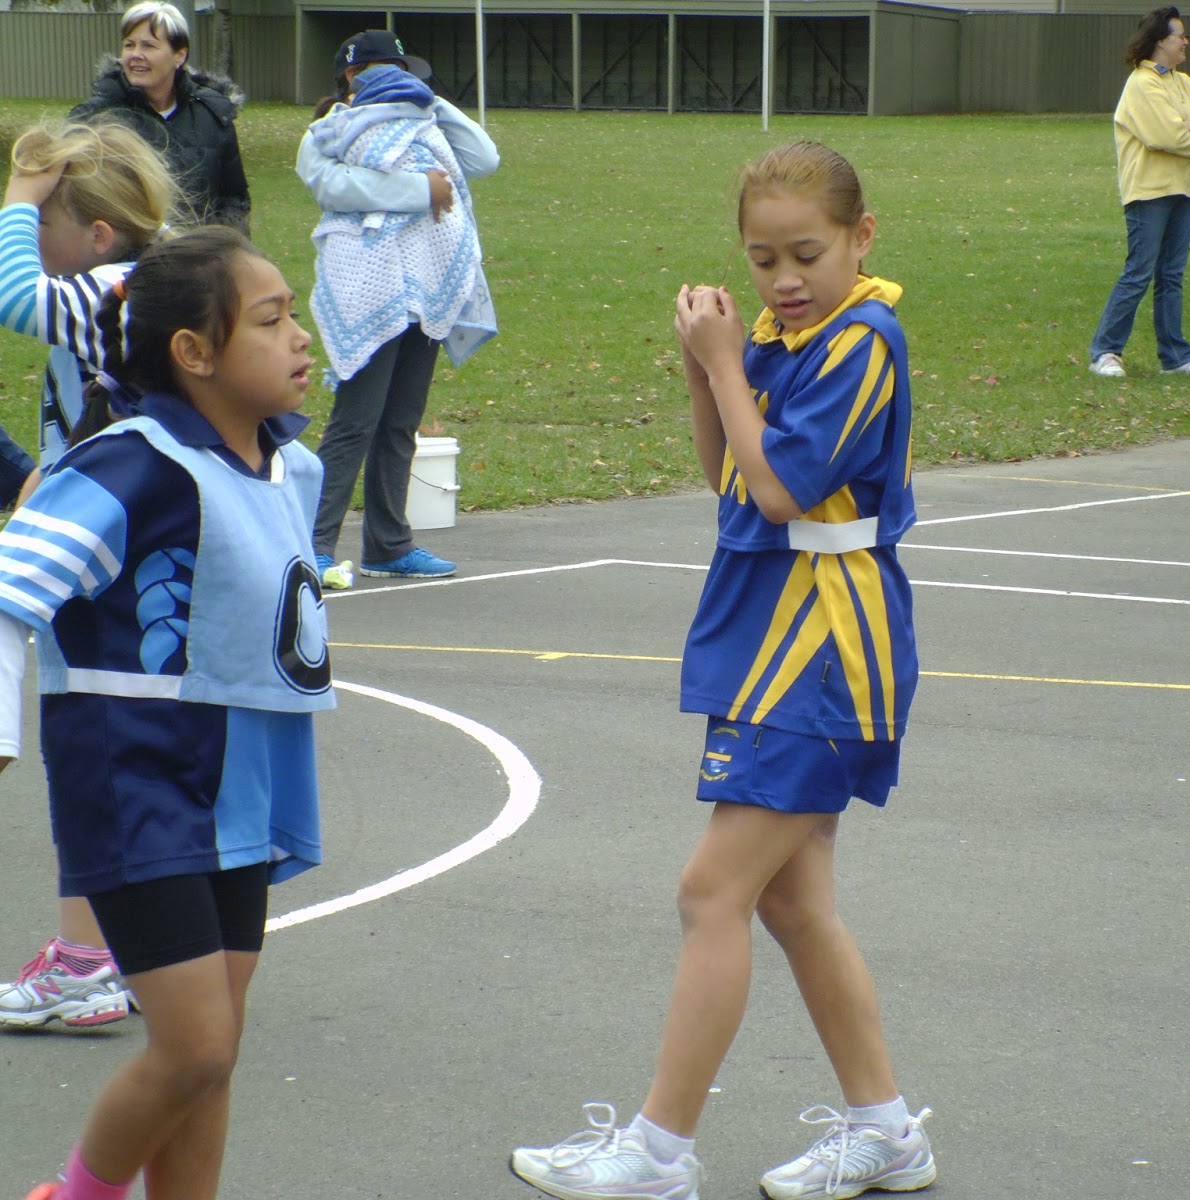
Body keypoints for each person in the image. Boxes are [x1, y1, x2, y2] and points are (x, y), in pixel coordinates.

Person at [508, 141, 932, 1200]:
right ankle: (886, 1130)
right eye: (762, 259)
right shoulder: (787, 340)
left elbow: (782, 488)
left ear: (861, 237)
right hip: (771, 634)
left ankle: (659, 1151)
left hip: (822, 645)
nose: (784, 280)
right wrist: (710, 370)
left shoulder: (861, 341)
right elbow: (726, 474)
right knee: (792, 904)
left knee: (712, 891)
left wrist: (731, 367)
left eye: (806, 255)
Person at [8, 223, 332, 1200]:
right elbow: (10, 593)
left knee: (215, 1051)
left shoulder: (289, 469)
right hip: (139, 773)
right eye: (271, 320)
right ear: (193, 352)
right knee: (193, 1047)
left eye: (294, 314)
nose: (301, 336)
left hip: (243, 780)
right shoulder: (130, 466)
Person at [0, 119, 177, 1032]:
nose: (31, 236)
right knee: (128, 750)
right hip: (135, 545)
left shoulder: (112, 291)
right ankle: (142, 952)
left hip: (108, 557)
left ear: (98, 235)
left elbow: (11, 293)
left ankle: (82, 963)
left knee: (90, 749)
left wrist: (19, 195)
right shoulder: (146, 286)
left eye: (46, 223)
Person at [299, 30, 499, 589]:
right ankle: (312, 544)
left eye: (402, 68)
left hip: (428, 284)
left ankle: (388, 544)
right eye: (383, 68)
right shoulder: (331, 128)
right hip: (372, 286)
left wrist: (431, 102)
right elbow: (330, 186)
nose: (396, 77)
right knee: (355, 420)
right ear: (350, 75)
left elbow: (484, 158)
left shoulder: (426, 120)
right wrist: (419, 190)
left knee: (401, 421)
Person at [1088, 6, 1190, 379]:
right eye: (1180, 36)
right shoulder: (1141, 84)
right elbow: (1164, 136)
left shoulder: (1184, 83)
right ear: (1160, 41)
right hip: (1148, 192)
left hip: (1184, 189)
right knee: (1139, 272)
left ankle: (1175, 357)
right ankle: (1105, 351)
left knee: (1172, 275)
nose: (1186, 42)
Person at [68, 2, 249, 232]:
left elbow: (234, 199)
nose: (136, 55)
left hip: (198, 251)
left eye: (148, 46)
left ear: (179, 56)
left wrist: (218, 246)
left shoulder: (212, 115)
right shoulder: (94, 118)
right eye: (129, 45)